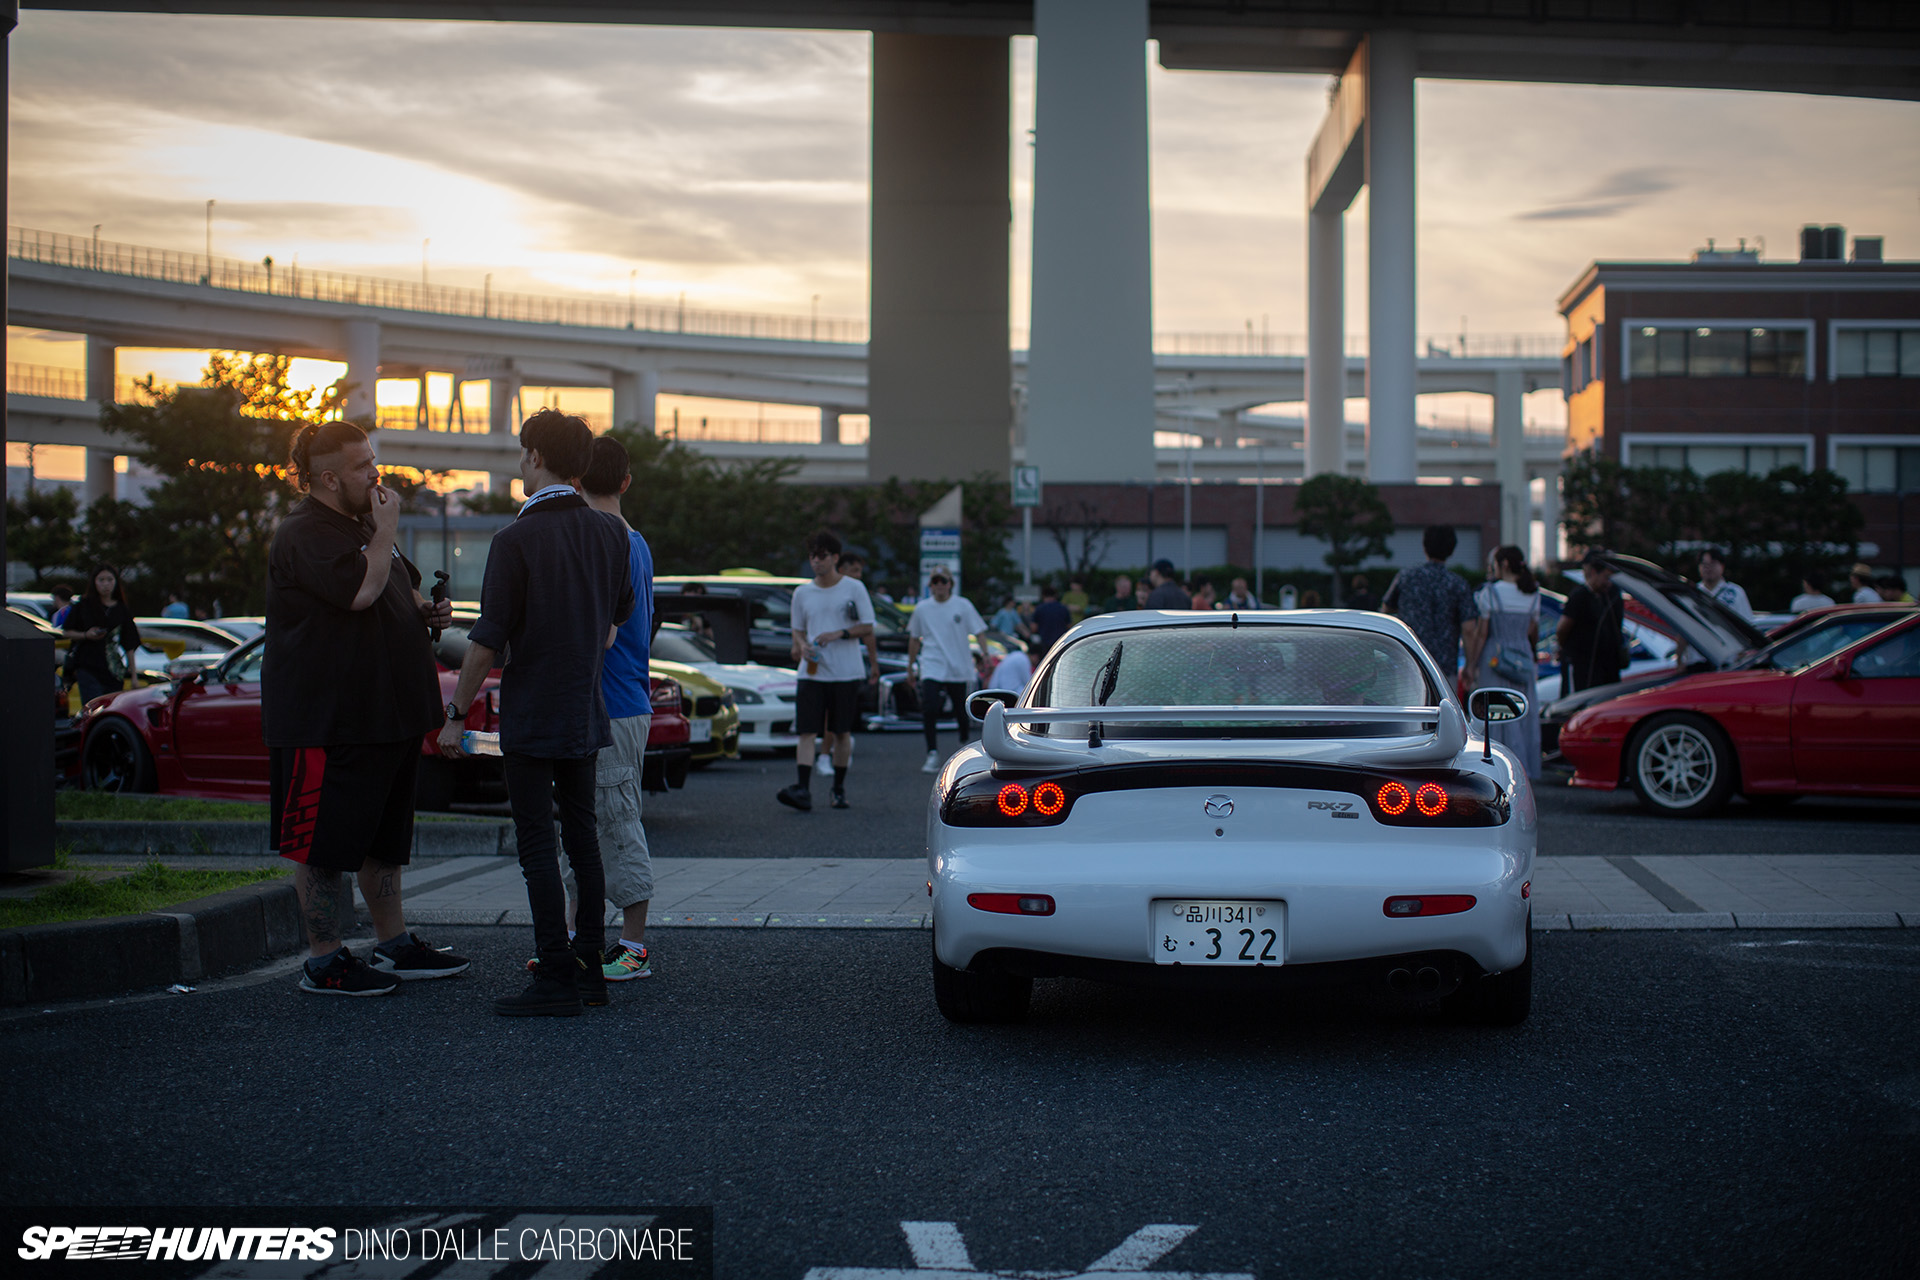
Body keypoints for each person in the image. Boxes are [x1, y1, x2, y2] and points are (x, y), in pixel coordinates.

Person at [438, 409, 634, 1017]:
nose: (520, 463)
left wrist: (455, 713)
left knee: (535, 844)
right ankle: (591, 972)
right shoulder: (611, 534)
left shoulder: (514, 540)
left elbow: (487, 639)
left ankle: (552, 974)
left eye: (523, 453)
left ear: (536, 459)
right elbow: (616, 617)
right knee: (584, 841)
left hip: (531, 713)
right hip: (584, 709)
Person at [264, 420, 469, 998]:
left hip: (388, 715)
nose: (377, 474)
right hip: (329, 720)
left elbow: (393, 589)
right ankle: (324, 960)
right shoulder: (305, 531)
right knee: (323, 844)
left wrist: (424, 613)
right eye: (363, 466)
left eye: (373, 460)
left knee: (384, 839)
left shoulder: (364, 525)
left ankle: (393, 943)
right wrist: (384, 531)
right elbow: (357, 591)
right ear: (328, 477)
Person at [551, 436, 656, 983]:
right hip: (616, 701)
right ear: (625, 481)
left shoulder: (609, 539)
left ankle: (632, 946)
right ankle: (577, 938)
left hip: (611, 704)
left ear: (574, 479)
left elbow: (605, 633)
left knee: (614, 822)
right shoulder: (631, 540)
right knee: (584, 827)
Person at [779, 530, 875, 812]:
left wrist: (839, 633)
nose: (816, 562)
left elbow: (868, 626)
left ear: (834, 558)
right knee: (806, 732)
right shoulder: (802, 592)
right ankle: (803, 789)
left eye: (821, 556)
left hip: (845, 673)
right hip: (811, 672)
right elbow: (796, 629)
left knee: (841, 732)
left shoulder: (854, 588)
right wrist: (800, 644)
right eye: (812, 556)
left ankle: (838, 789)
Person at [1463, 545, 1541, 779]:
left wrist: (1471, 664)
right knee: (1521, 711)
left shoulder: (1490, 593)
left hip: (1494, 657)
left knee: (1493, 712)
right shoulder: (1533, 593)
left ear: (1504, 564)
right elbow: (1532, 631)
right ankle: (1523, 768)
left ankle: (1494, 767)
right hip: (1522, 657)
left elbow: (1481, 633)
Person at [908, 571, 986, 772]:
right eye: (935, 581)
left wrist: (985, 655)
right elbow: (914, 638)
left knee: (961, 709)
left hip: (958, 665)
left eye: (944, 581)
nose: (940, 585)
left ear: (950, 584)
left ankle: (963, 740)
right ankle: (932, 752)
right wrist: (910, 666)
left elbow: (979, 631)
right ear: (930, 585)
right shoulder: (922, 608)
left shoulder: (963, 605)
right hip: (932, 663)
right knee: (930, 706)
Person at [1380, 526, 1480, 676]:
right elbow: (1469, 629)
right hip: (1444, 667)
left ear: (1424, 547)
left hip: (1409, 660)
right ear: (1451, 550)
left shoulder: (1406, 577)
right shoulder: (1458, 584)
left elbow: (1385, 611)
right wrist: (1470, 666)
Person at [61, 565, 140, 705]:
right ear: (94, 582)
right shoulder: (83, 605)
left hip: (113, 670)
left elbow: (130, 643)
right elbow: (66, 631)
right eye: (101, 580)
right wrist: (86, 635)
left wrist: (134, 675)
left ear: (116, 582)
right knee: (93, 707)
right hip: (87, 666)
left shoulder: (121, 608)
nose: (106, 584)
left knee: (112, 708)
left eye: (110, 580)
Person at [1556, 551, 1627, 693]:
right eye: (1606, 577)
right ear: (1594, 572)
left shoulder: (1613, 596)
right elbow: (1562, 629)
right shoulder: (1579, 596)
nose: (1608, 583)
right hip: (1583, 665)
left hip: (1608, 666)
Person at [1697, 548, 1752, 620]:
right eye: (1704, 564)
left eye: (1713, 563)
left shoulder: (1736, 593)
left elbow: (1747, 622)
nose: (1708, 568)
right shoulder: (1694, 591)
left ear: (1722, 566)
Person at [1029, 583, 1073, 655]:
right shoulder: (1063, 609)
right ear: (1055, 596)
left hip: (1044, 643)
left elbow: (1033, 628)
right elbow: (1069, 626)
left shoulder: (1039, 609)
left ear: (1043, 596)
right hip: (1060, 643)